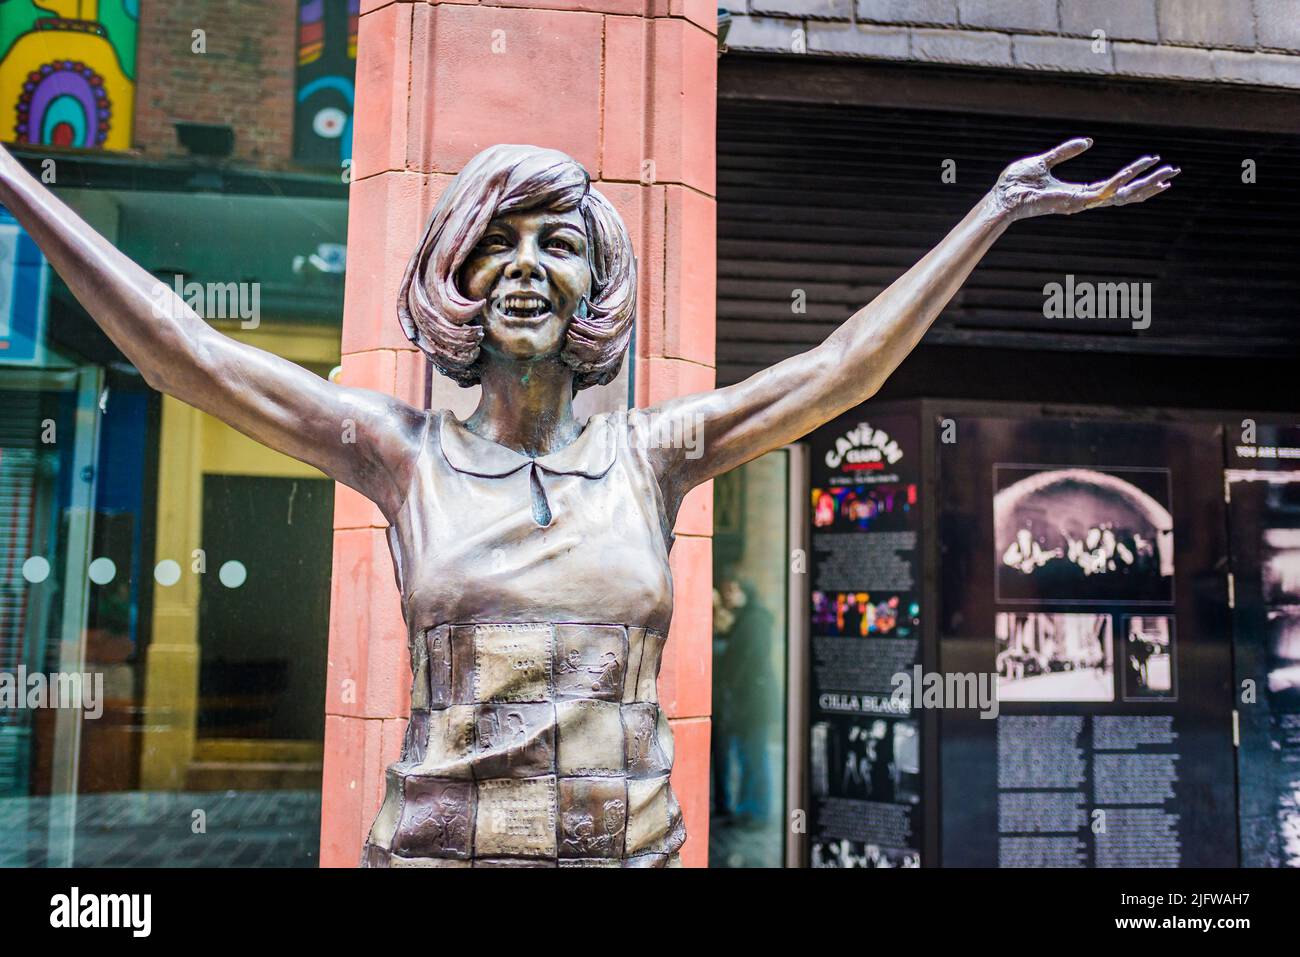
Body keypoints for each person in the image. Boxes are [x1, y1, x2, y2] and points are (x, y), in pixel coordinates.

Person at [0, 137, 1177, 867]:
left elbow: (840, 373)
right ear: (456, 275)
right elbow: (183, 351)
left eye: (554, 242)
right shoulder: (402, 456)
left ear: (592, 284)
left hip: (628, 855)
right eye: (494, 242)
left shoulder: (650, 455)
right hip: (439, 857)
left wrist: (995, 213)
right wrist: (16, 181)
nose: (523, 265)